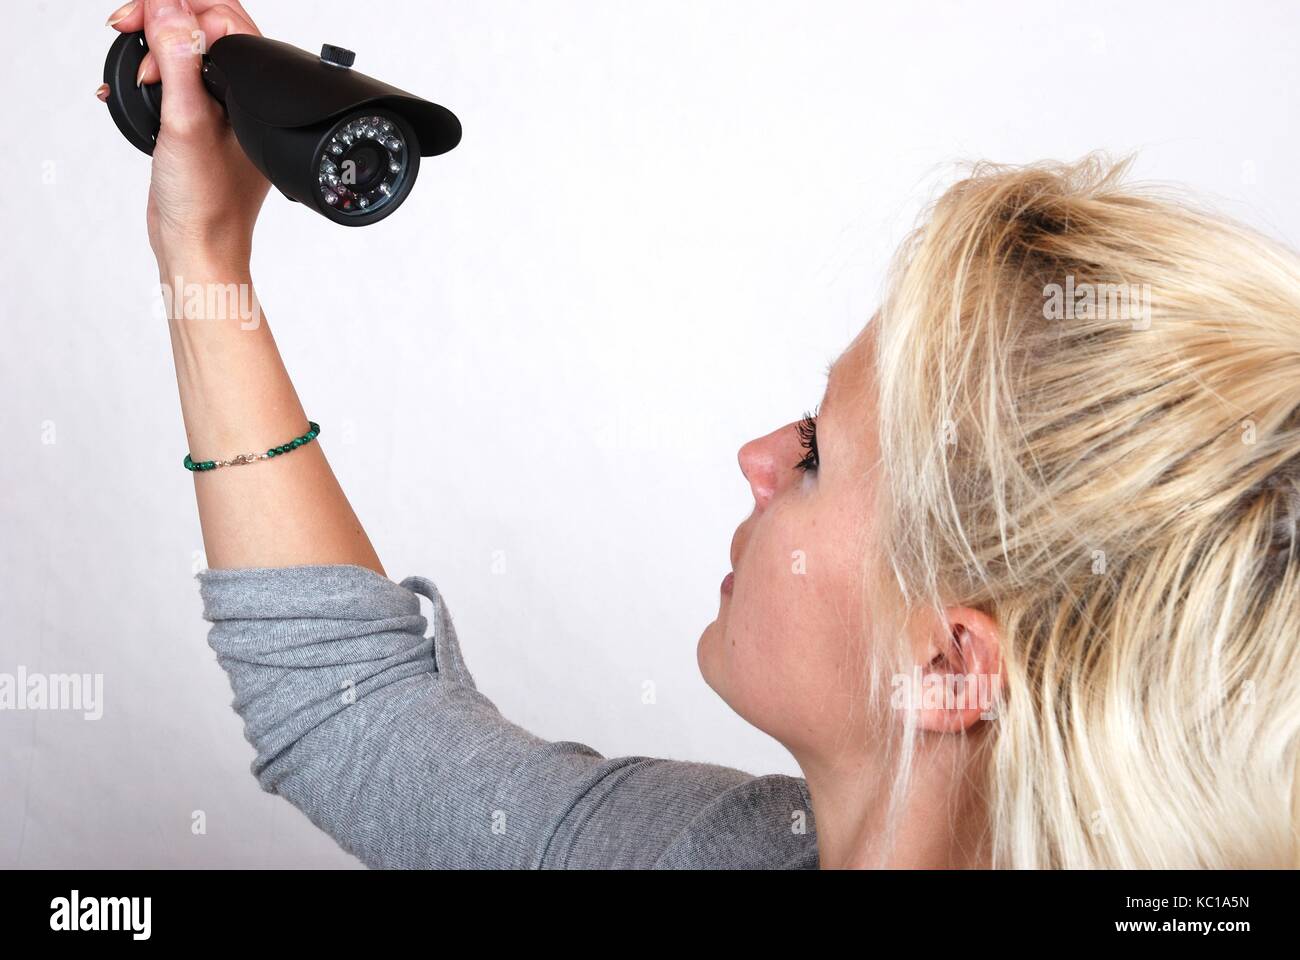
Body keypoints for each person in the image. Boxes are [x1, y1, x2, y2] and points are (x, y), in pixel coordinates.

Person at [99, 0, 1300, 869]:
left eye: (816, 456)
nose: (757, 460)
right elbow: (354, 719)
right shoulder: (704, 851)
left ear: (947, 668)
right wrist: (204, 254)